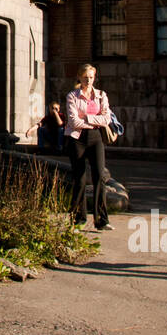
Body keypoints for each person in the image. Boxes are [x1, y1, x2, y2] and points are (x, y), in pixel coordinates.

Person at [64, 63, 114, 231]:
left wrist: (87, 118)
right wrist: (94, 119)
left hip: (96, 137)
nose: (88, 81)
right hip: (77, 139)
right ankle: (78, 219)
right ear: (79, 77)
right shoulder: (72, 96)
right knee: (79, 178)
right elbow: (73, 122)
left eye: (91, 77)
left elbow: (106, 119)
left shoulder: (101, 95)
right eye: (85, 77)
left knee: (100, 175)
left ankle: (102, 220)